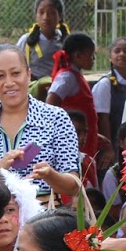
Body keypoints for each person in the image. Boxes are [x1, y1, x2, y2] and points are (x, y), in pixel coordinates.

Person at [0, 44, 81, 201]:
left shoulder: (56, 118)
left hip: (42, 219)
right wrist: (2, 165)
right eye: (0, 76)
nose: (9, 82)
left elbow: (74, 186)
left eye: (16, 73)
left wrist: (50, 175)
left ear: (29, 75)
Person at [46, 32, 100, 165]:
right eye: (91, 55)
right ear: (78, 55)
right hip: (75, 141)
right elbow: (51, 102)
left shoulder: (76, 76)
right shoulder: (67, 77)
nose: (93, 59)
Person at [91, 37, 126, 148]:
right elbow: (102, 119)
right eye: (117, 51)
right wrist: (109, 147)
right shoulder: (105, 84)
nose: (122, 54)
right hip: (114, 143)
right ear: (110, 57)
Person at [19, 0, 69, 80]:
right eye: (41, 12)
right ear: (35, 15)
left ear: (60, 16)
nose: (46, 17)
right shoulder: (26, 41)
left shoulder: (67, 42)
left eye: (52, 13)